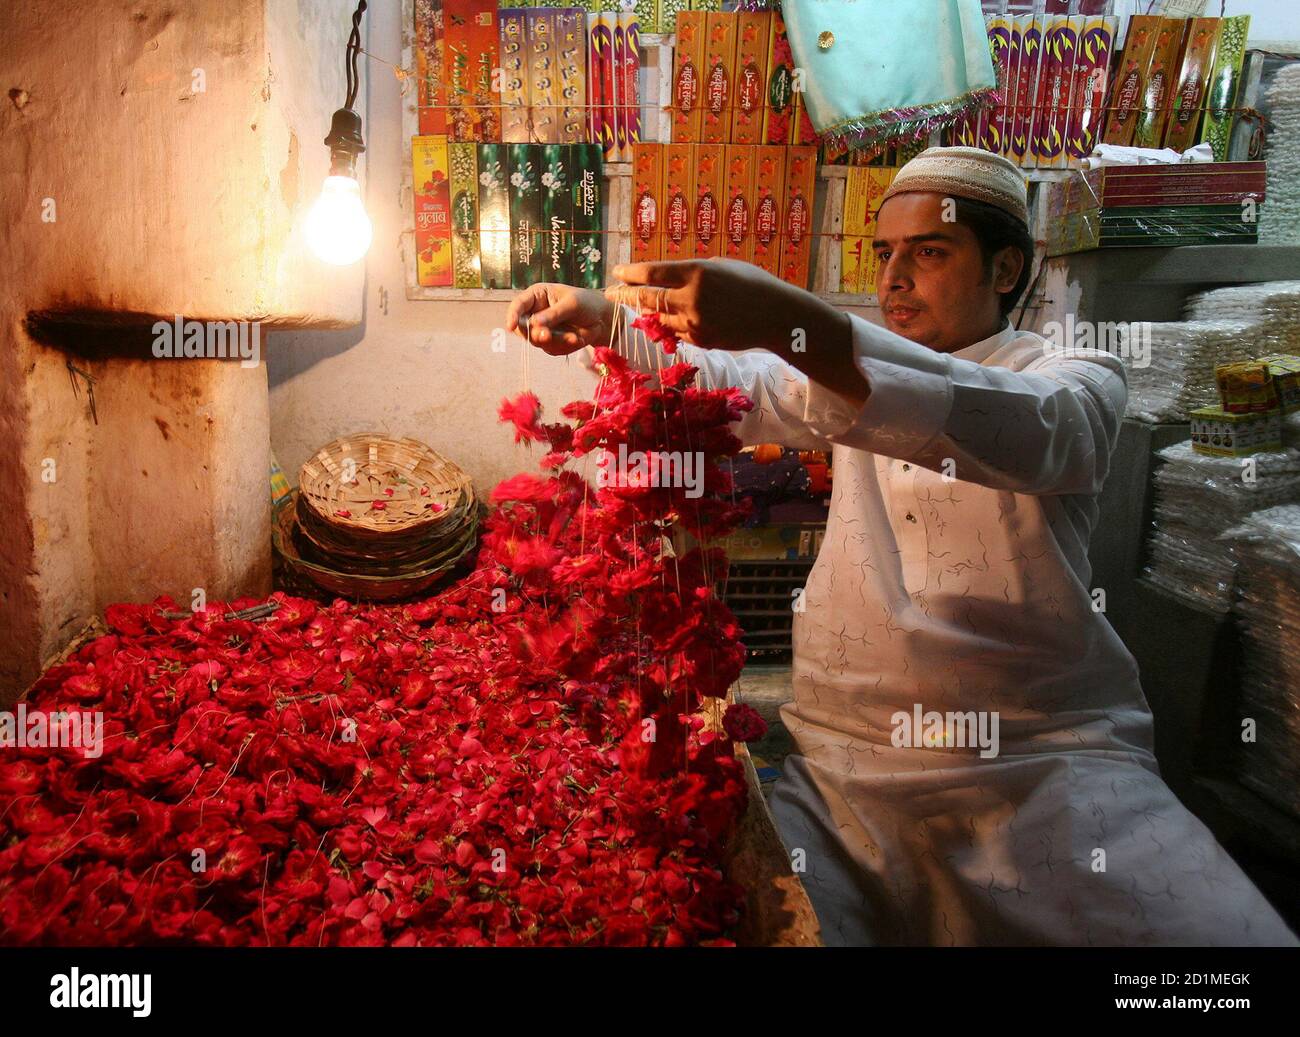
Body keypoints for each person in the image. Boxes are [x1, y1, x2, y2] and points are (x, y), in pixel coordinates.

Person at [505, 146, 1297, 947]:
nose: (893, 277)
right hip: (854, 761)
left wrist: (796, 321)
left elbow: (1025, 427)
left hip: (1046, 756)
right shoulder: (837, 378)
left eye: (929, 251)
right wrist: (603, 318)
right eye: (884, 253)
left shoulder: (1077, 376)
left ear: (1006, 267)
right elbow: (723, 378)